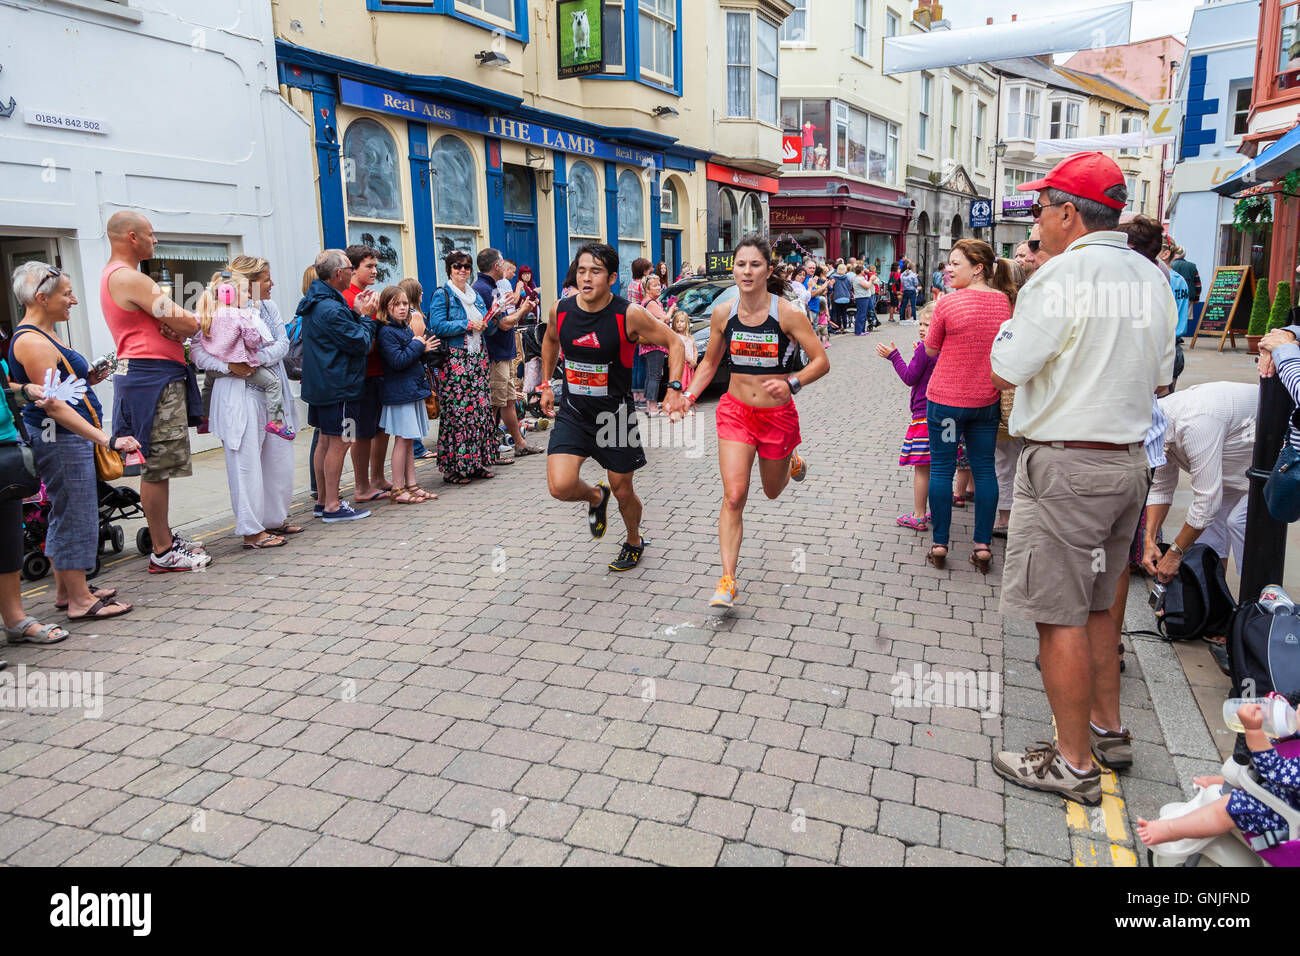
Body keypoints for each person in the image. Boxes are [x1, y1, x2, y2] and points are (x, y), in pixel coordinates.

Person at [990, 151, 1176, 805]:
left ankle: (1072, 764)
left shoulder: (1059, 276)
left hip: (1066, 463)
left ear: (1069, 213)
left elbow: (1007, 366)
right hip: (1128, 462)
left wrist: (1020, 302)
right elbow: (1161, 377)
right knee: (1102, 604)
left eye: (1043, 207)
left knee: (1057, 616)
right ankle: (1107, 728)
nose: (1037, 220)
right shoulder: (1150, 275)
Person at [683, 235, 829, 608]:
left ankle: (791, 459)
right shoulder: (723, 313)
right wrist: (687, 396)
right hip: (735, 413)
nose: (746, 271)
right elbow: (710, 363)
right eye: (741, 264)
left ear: (767, 270)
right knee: (734, 496)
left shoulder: (788, 314)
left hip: (776, 416)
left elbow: (820, 361)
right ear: (733, 269)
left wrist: (792, 382)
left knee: (772, 491)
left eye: (755, 265)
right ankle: (728, 579)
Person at [539, 243, 685, 572]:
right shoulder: (560, 310)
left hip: (614, 418)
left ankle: (634, 539)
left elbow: (674, 341)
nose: (586, 277)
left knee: (622, 488)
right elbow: (550, 339)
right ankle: (594, 497)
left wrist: (674, 387)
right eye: (581, 270)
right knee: (560, 486)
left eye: (595, 271)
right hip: (574, 413)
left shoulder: (628, 314)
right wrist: (545, 383)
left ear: (612, 277)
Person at [8, 262, 139, 618]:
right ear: (41, 298)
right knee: (74, 514)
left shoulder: (42, 334)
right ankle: (81, 602)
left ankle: (69, 590)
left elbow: (56, 392)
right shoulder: (34, 341)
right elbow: (55, 408)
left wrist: (86, 379)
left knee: (68, 511)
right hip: (61, 438)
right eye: (66, 294)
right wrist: (108, 440)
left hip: (62, 437)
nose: (74, 300)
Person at [101, 211, 210, 571]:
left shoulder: (118, 276)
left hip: (150, 375)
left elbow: (176, 323)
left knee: (157, 464)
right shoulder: (132, 279)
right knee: (156, 466)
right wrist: (181, 325)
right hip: (153, 379)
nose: (155, 240)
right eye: (150, 234)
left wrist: (175, 326)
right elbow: (189, 321)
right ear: (132, 237)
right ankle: (163, 551)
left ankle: (163, 539)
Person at [191, 256, 302, 549]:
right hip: (237, 394)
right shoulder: (215, 307)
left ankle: (273, 519)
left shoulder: (268, 307)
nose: (272, 284)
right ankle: (251, 531)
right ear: (249, 284)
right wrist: (231, 366)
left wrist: (255, 361)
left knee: (278, 460)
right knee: (246, 463)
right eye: (266, 279)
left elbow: (282, 342)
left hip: (268, 388)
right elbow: (198, 352)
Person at [922, 239, 1015, 574]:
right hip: (985, 402)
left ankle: (941, 542)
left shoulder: (948, 303)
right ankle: (982, 545)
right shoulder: (1003, 303)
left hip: (946, 401)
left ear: (978, 268)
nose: (950, 269)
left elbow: (930, 350)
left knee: (942, 470)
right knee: (985, 469)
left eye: (956, 263)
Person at [1138, 702, 1297, 849]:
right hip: (1290, 793)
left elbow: (1274, 769)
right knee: (1252, 773)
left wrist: (1254, 731)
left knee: (1229, 807)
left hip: (1289, 816)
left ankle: (1171, 830)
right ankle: (1229, 782)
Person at [1143, 382, 1257, 581]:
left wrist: (1174, 553)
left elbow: (1206, 503)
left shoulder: (1193, 423)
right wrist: (1149, 539)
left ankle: (1259, 602)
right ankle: (1215, 604)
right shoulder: (1157, 425)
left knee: (1239, 522)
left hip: (1278, 450)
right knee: (1207, 538)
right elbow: (1161, 488)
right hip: (1238, 455)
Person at [299, 249, 380, 523]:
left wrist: (356, 313)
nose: (352, 272)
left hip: (323, 384)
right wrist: (367, 317)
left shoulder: (318, 301)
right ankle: (333, 505)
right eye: (349, 269)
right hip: (340, 386)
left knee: (325, 440)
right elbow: (359, 343)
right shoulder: (331, 307)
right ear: (338, 274)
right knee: (342, 442)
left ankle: (323, 500)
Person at [195, 270, 294, 441]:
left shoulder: (208, 312)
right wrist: (254, 321)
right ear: (229, 294)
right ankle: (276, 421)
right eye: (244, 291)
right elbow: (252, 341)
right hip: (244, 365)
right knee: (273, 383)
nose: (249, 294)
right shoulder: (242, 315)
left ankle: (204, 418)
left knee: (208, 386)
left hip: (219, 367)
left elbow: (195, 333)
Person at [0, 360, 57, 647]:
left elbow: (4, 388)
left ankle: (15, 620)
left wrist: (25, 391)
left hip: (5, 447)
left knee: (9, 544)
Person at [429, 249, 497, 484]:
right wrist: (468, 324)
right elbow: (437, 325)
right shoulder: (442, 294)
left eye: (466, 266)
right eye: (457, 266)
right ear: (449, 269)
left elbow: (483, 321)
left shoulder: (473, 295)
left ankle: (475, 463)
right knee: (458, 415)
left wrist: (489, 319)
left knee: (478, 413)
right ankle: (453, 469)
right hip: (456, 361)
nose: (462, 270)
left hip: (476, 359)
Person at [474, 248, 539, 461]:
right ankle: (489, 451)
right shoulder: (483, 289)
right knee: (495, 403)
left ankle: (520, 444)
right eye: (503, 263)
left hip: (503, 351)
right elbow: (502, 323)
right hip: (496, 353)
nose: (506, 267)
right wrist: (524, 311)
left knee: (509, 400)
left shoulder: (492, 286)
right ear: (495, 266)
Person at [376, 285, 438, 504]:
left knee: (410, 439)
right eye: (396, 304)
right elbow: (398, 361)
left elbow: (411, 358)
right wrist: (417, 346)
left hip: (410, 390)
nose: (402, 308)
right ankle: (398, 488)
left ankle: (411, 484)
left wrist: (422, 350)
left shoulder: (404, 328)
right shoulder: (386, 331)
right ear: (386, 307)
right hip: (399, 393)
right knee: (402, 440)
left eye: (404, 303)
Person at [339, 245, 391, 504]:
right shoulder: (349, 297)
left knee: (382, 429)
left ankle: (378, 478)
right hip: (362, 374)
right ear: (353, 268)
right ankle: (361, 485)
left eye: (375, 266)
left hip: (381, 369)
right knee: (361, 433)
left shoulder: (371, 294)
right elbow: (358, 340)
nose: (374, 270)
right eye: (368, 266)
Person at [879, 302, 937, 532]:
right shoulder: (946, 347)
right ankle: (936, 511)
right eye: (920, 324)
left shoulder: (926, 349)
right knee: (939, 468)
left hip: (924, 415)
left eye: (928, 324)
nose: (922, 329)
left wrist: (894, 356)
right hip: (945, 414)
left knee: (922, 467)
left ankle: (919, 515)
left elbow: (909, 377)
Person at [400, 276, 436, 461]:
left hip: (410, 367)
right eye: (419, 290)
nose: (422, 293)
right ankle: (417, 448)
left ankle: (416, 447)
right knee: (416, 408)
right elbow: (419, 342)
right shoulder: (415, 316)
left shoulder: (406, 315)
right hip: (417, 367)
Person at [639, 274, 672, 416]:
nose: (659, 288)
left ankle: (650, 404)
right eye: (655, 285)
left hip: (651, 344)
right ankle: (651, 407)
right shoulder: (651, 303)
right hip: (654, 344)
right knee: (655, 375)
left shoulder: (649, 302)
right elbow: (665, 318)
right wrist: (672, 309)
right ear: (647, 289)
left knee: (652, 375)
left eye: (659, 285)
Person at [669, 308, 697, 402]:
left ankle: (687, 404)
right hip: (682, 365)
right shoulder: (677, 337)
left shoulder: (691, 337)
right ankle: (679, 404)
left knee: (690, 386)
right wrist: (690, 360)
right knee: (681, 385)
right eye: (677, 322)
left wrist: (695, 361)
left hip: (690, 365)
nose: (679, 324)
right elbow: (681, 352)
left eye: (682, 321)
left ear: (687, 323)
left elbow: (695, 350)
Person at [829, 264, 854, 335]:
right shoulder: (847, 277)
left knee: (838, 314)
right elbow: (850, 287)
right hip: (846, 297)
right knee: (844, 313)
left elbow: (832, 287)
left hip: (837, 297)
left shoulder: (833, 277)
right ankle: (845, 328)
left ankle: (839, 328)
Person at [851, 265, 876, 334]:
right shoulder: (858, 279)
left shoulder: (860, 278)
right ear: (861, 271)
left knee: (864, 314)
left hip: (865, 297)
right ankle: (858, 331)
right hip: (862, 297)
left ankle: (862, 330)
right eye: (863, 270)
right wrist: (871, 279)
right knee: (861, 314)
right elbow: (867, 286)